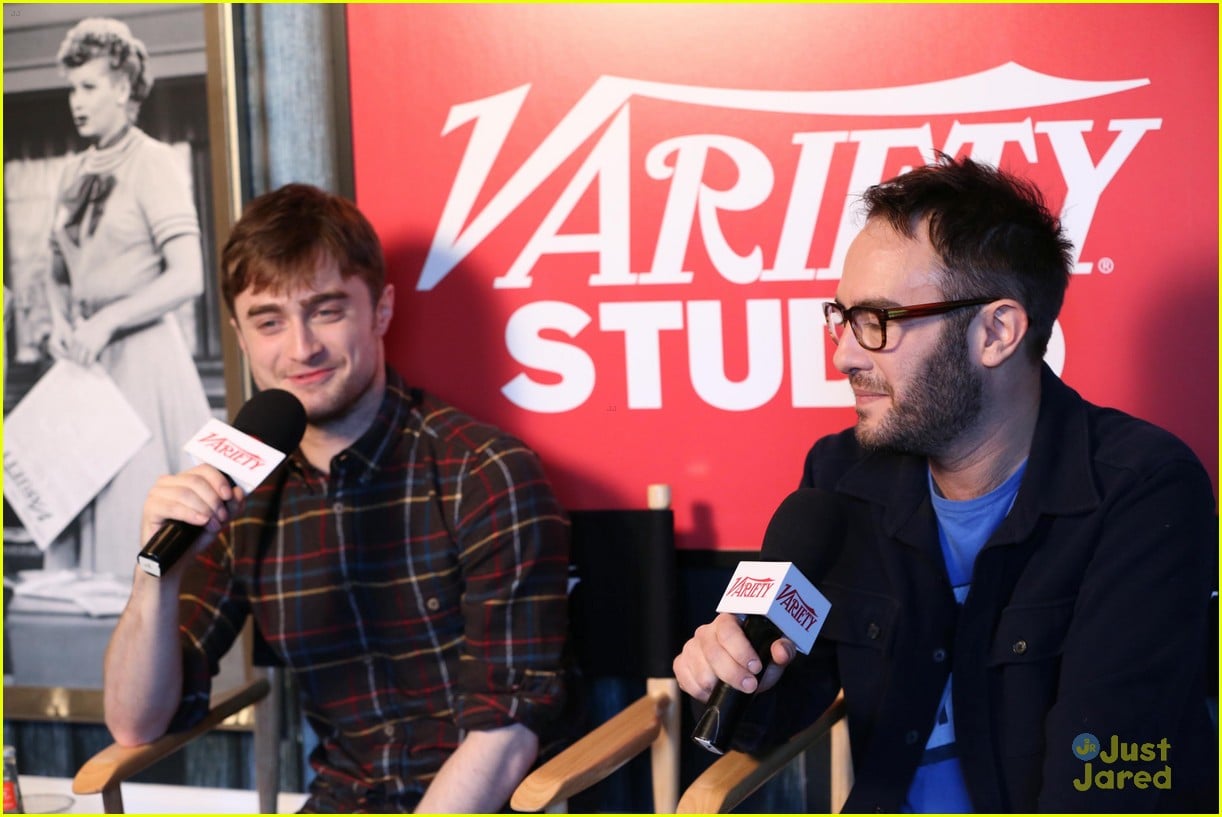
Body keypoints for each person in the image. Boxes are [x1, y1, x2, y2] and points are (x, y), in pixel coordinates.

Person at [674, 155, 1216, 812]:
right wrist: (739, 670)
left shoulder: (1143, 491)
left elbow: (1106, 773)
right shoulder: (838, 479)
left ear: (996, 331)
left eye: (878, 320)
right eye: (841, 317)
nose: (844, 353)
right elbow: (795, 694)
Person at [102, 183, 570, 812]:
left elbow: (506, 736)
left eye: (326, 311)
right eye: (269, 321)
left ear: (380, 311)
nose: (301, 349)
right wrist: (155, 573)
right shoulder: (239, 489)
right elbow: (136, 725)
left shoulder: (484, 471)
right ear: (240, 336)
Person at [46, 17, 212, 576]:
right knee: (73, 508)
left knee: (131, 526)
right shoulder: (71, 173)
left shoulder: (154, 161)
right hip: (85, 365)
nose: (76, 100)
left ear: (123, 89)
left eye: (89, 87)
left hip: (142, 363)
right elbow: (56, 271)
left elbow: (188, 276)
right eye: (72, 87)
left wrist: (109, 320)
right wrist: (59, 319)